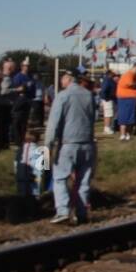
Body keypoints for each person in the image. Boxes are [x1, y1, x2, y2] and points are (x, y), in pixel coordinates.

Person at [44, 71, 97, 224]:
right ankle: (81, 212)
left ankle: (63, 211)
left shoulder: (63, 95)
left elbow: (54, 123)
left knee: (60, 177)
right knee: (83, 180)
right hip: (87, 142)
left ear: (69, 79)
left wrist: (48, 145)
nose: (61, 79)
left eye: (62, 77)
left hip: (68, 143)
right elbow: (92, 118)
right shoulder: (89, 95)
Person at [16, 129, 48, 197]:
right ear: (38, 140)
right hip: (34, 177)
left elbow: (15, 163)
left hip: (21, 176)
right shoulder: (41, 151)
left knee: (22, 195)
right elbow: (44, 168)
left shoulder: (20, 150)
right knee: (34, 195)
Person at [116, 62, 136, 141]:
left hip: (132, 98)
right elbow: (130, 84)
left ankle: (128, 134)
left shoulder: (135, 76)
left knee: (131, 118)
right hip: (125, 98)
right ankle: (123, 134)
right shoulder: (129, 74)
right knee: (124, 116)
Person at [99, 69, 117, 135]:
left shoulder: (109, 80)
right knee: (108, 114)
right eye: (112, 73)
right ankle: (107, 128)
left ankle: (107, 127)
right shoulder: (107, 80)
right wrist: (106, 98)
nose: (114, 74)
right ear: (109, 73)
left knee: (108, 114)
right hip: (108, 99)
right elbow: (104, 90)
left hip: (109, 98)